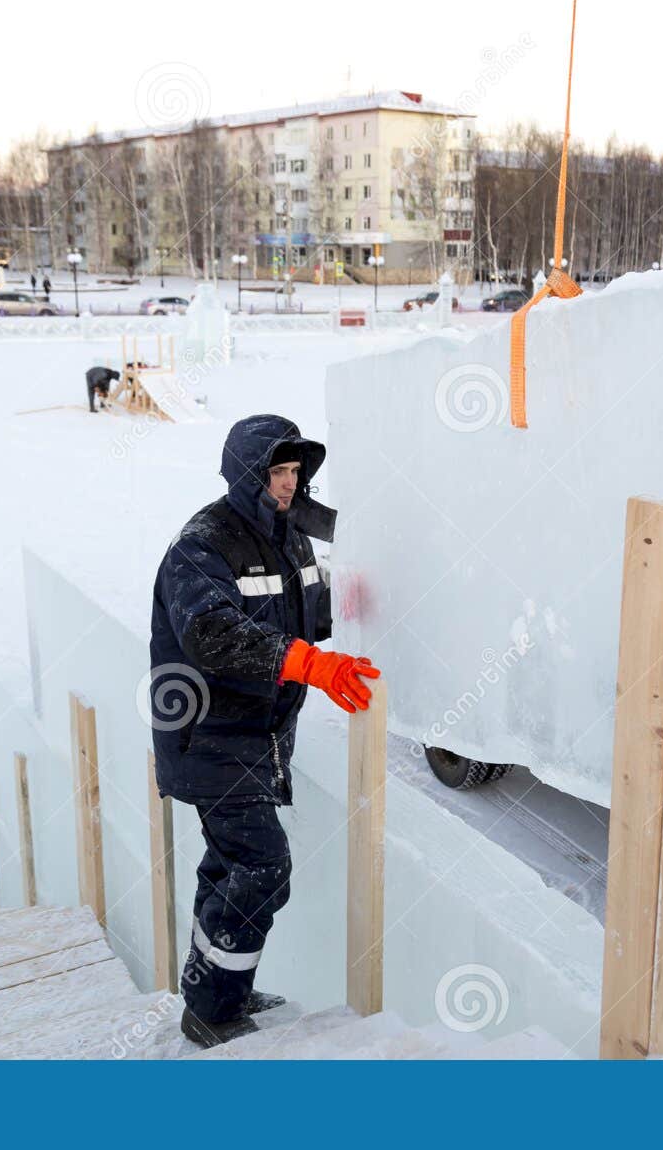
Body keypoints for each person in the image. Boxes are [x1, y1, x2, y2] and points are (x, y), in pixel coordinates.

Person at [148, 414, 380, 1047]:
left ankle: (216, 985)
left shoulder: (291, 540)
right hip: (207, 734)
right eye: (277, 471)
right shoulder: (202, 545)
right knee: (261, 864)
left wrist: (362, 602)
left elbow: (309, 611)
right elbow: (213, 634)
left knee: (230, 863)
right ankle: (214, 1012)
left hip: (260, 737)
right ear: (247, 474)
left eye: (295, 471)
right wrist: (308, 662)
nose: (288, 483)